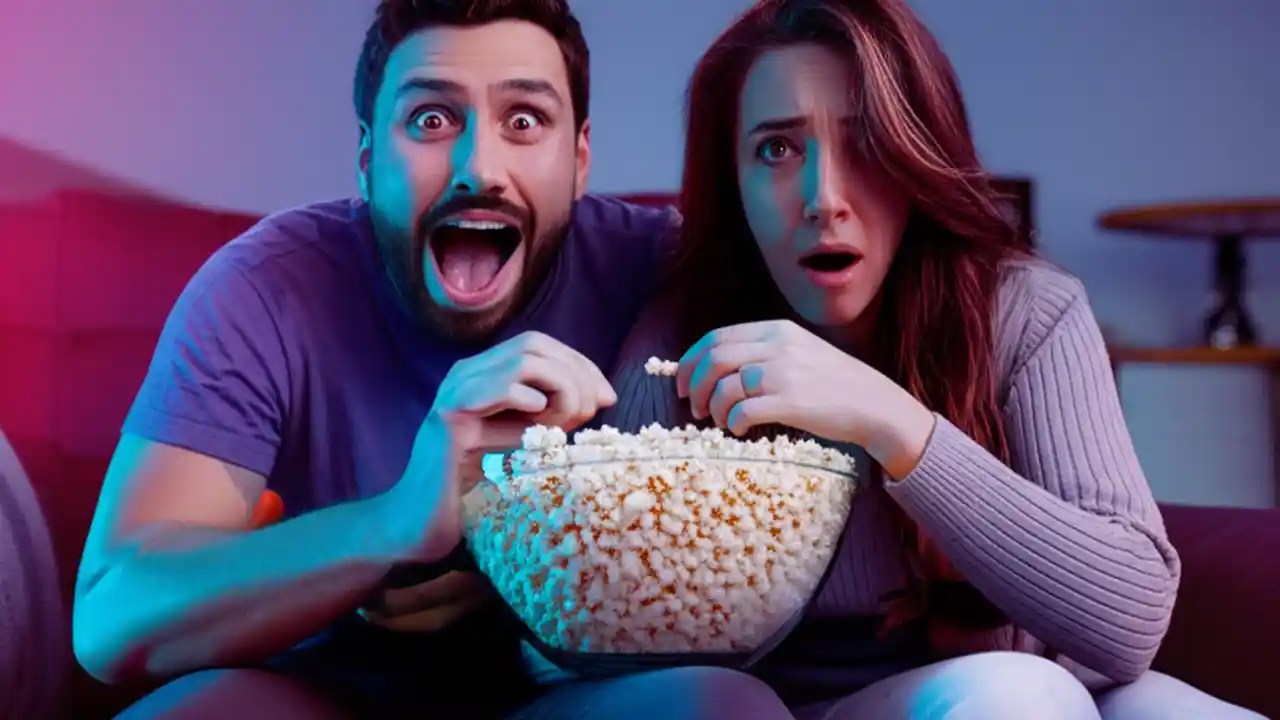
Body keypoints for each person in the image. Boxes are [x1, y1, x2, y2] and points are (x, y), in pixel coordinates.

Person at [590, 0, 1266, 718]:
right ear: (734, 183)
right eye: (777, 150)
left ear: (920, 157)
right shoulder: (683, 337)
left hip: (1051, 686)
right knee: (1014, 691)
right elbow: (611, 633)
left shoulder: (1028, 310)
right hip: (803, 704)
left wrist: (895, 426)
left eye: (868, 142)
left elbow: (1130, 629)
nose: (824, 199)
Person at [73, 0, 705, 716]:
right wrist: (393, 527)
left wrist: (524, 569)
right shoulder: (267, 288)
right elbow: (110, 619)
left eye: (524, 121)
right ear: (369, 161)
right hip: (325, 691)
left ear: (581, 158)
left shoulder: (670, 269)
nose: (479, 169)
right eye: (431, 121)